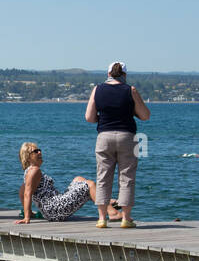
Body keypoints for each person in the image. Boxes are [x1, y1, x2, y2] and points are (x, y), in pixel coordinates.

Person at [84, 61, 149, 228]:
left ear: (108, 74)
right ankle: (126, 218)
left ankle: (101, 218)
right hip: (128, 136)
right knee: (127, 177)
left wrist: (103, 118)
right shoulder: (131, 90)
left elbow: (89, 118)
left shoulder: (97, 89)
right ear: (124, 75)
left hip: (104, 136)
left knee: (103, 177)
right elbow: (145, 115)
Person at [13, 142, 108, 224]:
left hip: (53, 209)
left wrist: (29, 212)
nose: (40, 152)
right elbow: (26, 194)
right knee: (90, 185)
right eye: (35, 151)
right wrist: (27, 218)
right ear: (28, 157)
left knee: (78, 179)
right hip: (55, 209)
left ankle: (106, 202)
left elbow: (22, 192)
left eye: (39, 150)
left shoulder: (28, 172)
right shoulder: (34, 170)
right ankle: (111, 211)